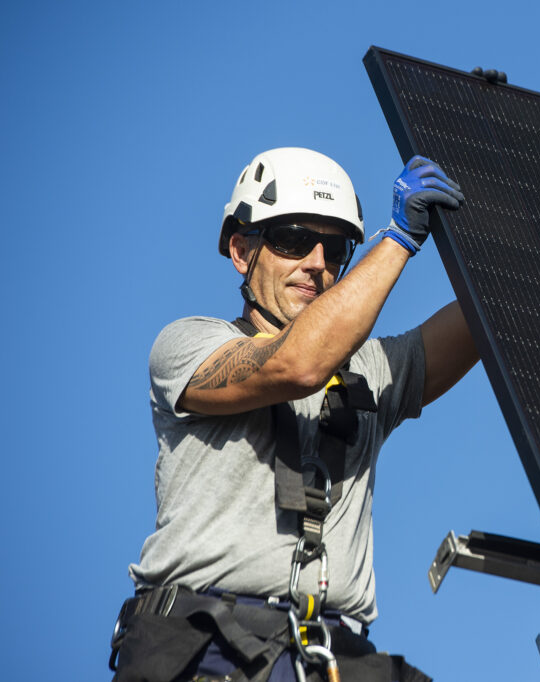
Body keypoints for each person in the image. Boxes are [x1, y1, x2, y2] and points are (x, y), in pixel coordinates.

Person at [110, 147, 478, 682]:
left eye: (334, 248)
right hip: (207, 649)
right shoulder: (187, 347)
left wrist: (509, 212)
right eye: (291, 240)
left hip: (332, 657)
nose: (316, 263)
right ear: (241, 250)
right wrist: (397, 239)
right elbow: (296, 364)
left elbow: (489, 317)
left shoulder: (373, 371)